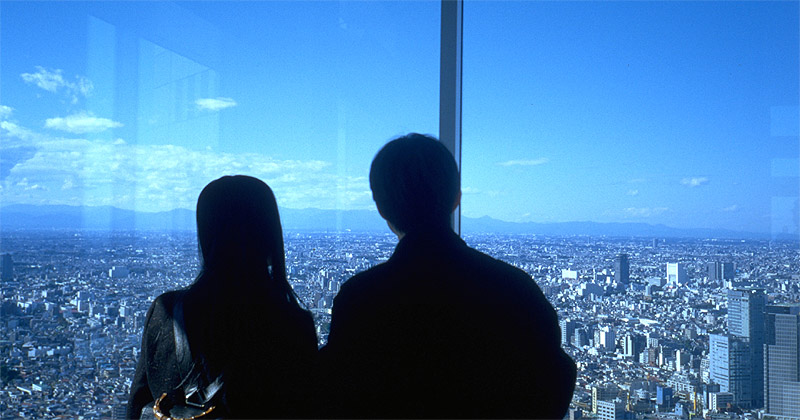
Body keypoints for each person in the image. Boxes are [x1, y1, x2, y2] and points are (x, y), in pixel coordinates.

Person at [321, 134, 576, 419]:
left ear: (380, 206)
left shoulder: (360, 298)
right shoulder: (514, 288)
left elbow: (338, 394)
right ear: (457, 199)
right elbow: (557, 377)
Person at [127, 175, 317, 419]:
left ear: (206, 235)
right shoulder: (293, 325)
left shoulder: (165, 313)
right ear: (269, 235)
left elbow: (137, 406)